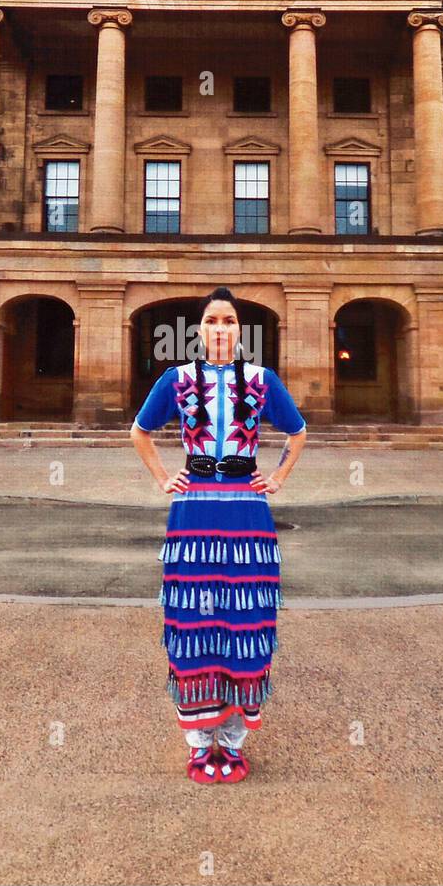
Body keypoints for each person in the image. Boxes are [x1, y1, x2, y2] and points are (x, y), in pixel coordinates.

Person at [129, 287, 307, 784]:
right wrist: (164, 477)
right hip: (194, 508)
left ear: (239, 331)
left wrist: (277, 478)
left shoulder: (263, 381)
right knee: (194, 618)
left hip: (248, 509)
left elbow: (299, 432)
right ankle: (198, 743)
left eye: (229, 321)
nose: (221, 329)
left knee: (245, 619)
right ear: (200, 331)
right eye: (212, 321)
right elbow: (139, 431)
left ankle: (232, 741)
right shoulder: (177, 379)